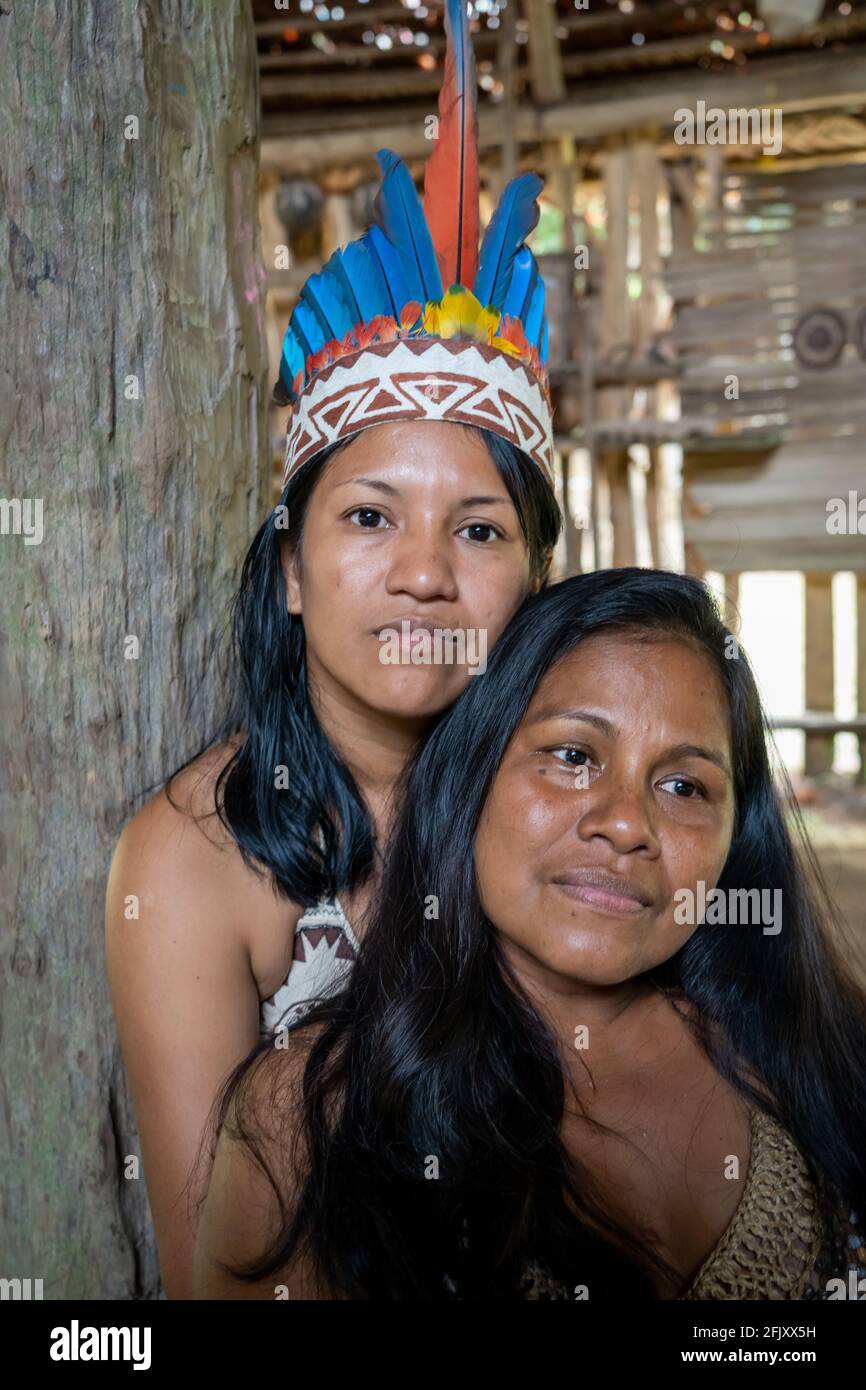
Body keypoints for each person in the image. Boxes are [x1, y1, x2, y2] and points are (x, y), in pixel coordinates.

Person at [105, 0, 560, 1299]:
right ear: (293, 571)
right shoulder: (192, 863)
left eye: (476, 527)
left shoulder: (584, 808)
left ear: (532, 580)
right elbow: (217, 1278)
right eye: (369, 516)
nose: (423, 567)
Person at [192, 568, 866, 1300]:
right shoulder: (313, 1115)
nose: (626, 824)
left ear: (737, 836)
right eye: (573, 756)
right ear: (470, 777)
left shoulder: (821, 1048)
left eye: (683, 787)